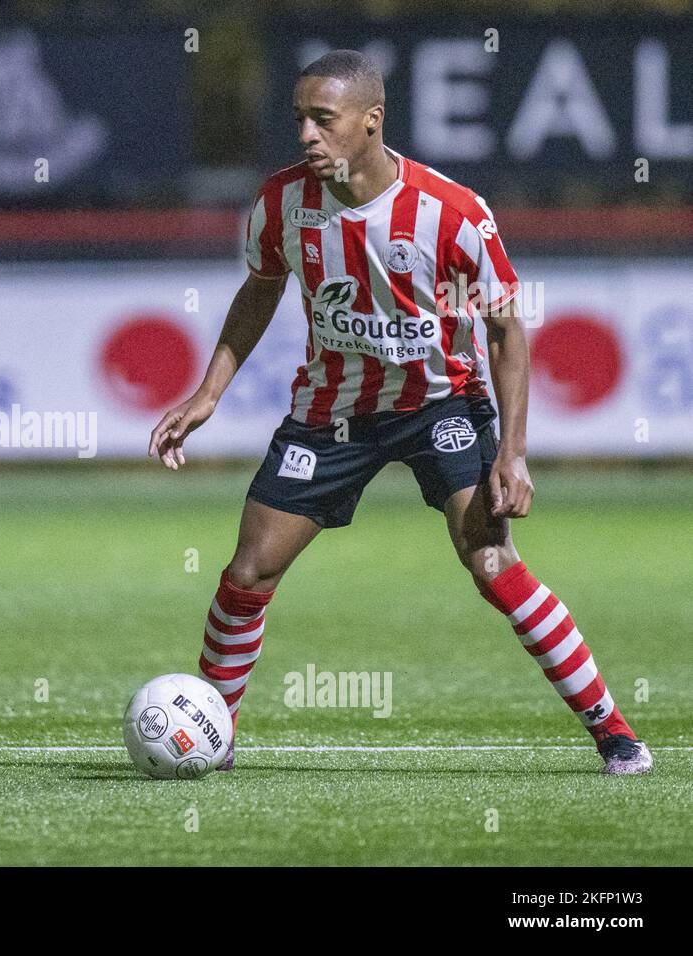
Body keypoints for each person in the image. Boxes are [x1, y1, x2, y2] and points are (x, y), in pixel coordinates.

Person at [148, 49, 651, 776]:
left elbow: (508, 329)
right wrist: (208, 392)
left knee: (490, 562)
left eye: (324, 120)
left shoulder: (451, 212)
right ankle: (214, 738)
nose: (307, 136)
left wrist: (513, 451)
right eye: (300, 121)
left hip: (441, 404)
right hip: (332, 412)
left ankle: (616, 733)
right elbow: (260, 289)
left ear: (371, 121)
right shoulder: (282, 202)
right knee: (248, 572)